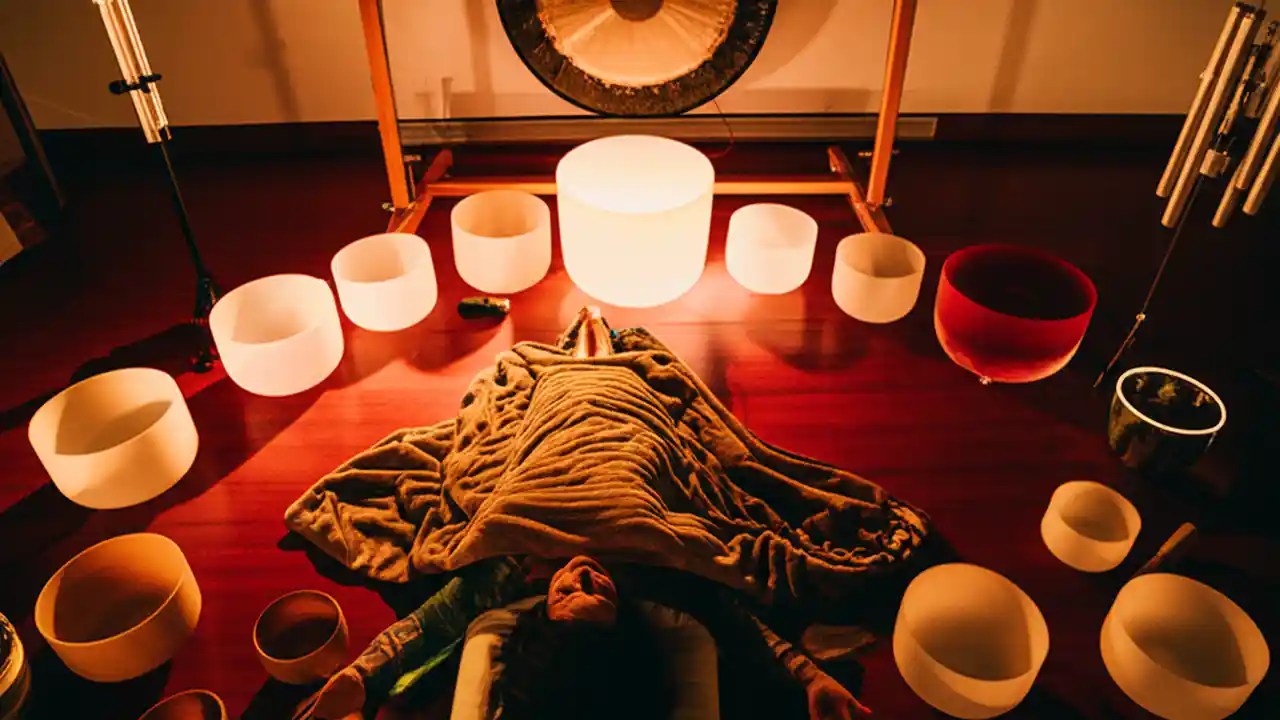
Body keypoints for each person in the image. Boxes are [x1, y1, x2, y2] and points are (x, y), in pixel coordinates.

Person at [300, 555, 871, 720]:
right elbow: (730, 621)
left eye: (568, 595)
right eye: (591, 591)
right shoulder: (653, 577)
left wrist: (360, 676)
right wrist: (808, 675)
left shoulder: (517, 574)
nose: (577, 572)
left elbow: (433, 623)